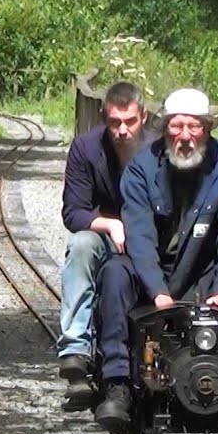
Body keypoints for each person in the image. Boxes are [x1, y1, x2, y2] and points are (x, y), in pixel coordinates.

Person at [93, 87, 218, 431]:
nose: (185, 136)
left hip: (204, 270)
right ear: (165, 128)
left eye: (194, 127)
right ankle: (117, 384)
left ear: (208, 128)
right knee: (114, 273)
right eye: (177, 127)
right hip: (153, 271)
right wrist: (158, 292)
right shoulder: (141, 169)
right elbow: (140, 236)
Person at [56, 80, 158, 408]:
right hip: (104, 234)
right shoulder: (86, 149)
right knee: (82, 246)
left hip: (152, 237)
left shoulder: (161, 151)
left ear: (143, 117)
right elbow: (73, 212)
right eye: (115, 122)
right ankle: (76, 351)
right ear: (104, 118)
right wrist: (112, 224)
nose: (122, 130)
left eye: (129, 122)